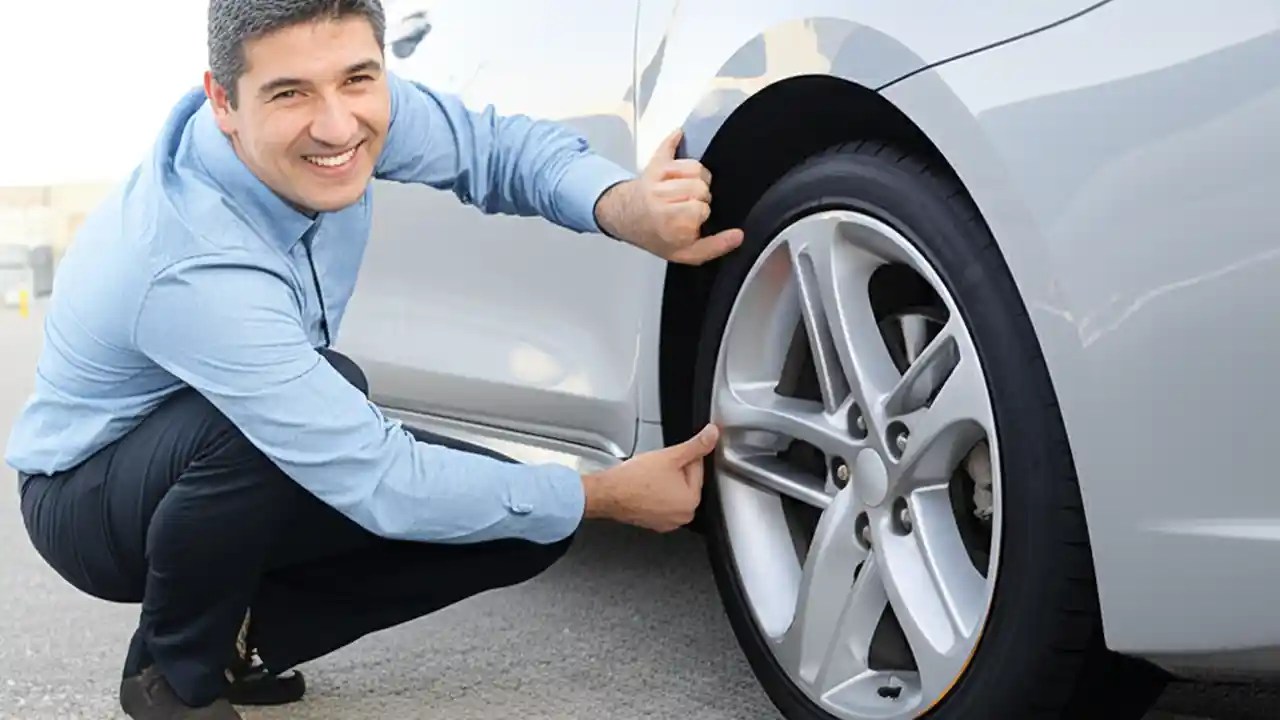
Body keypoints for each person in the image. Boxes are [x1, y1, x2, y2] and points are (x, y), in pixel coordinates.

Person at [4, 1, 745, 718]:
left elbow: (494, 151)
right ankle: (171, 674)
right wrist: (604, 496)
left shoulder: (357, 112)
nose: (336, 124)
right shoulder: (193, 261)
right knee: (302, 422)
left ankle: (242, 633)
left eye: (357, 79)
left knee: (520, 523)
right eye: (289, 92)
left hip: (210, 462)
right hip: (88, 498)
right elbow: (380, 480)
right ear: (223, 103)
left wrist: (625, 205)